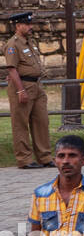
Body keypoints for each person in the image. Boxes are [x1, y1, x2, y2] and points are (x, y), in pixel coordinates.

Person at [4, 11, 52, 169]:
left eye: (31, 24)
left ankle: (44, 157)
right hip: (23, 86)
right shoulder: (13, 44)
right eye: (27, 24)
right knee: (21, 123)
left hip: (36, 86)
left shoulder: (28, 42)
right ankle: (24, 159)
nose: (31, 27)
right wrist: (20, 90)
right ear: (18, 26)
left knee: (41, 122)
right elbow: (12, 69)